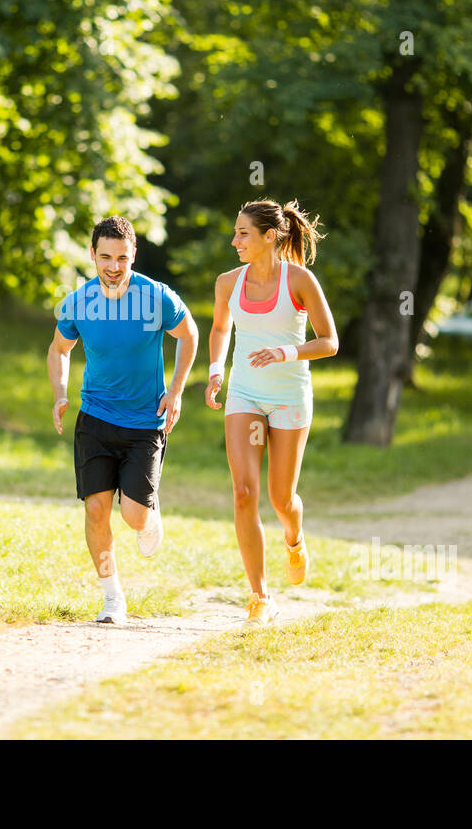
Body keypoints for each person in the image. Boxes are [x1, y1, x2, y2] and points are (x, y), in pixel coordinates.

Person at [47, 216, 198, 623]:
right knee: (95, 509)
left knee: (134, 516)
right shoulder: (79, 300)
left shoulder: (156, 298)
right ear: (93, 256)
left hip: (145, 422)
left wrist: (177, 389)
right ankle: (113, 598)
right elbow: (60, 348)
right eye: (105, 257)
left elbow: (189, 334)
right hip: (95, 417)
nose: (113, 266)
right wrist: (61, 394)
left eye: (122, 258)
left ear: (134, 256)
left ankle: (147, 511)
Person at [205, 200, 339, 625]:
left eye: (243, 233)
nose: (235, 241)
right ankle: (260, 597)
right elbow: (221, 327)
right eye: (235, 232)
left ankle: (294, 539)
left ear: (269, 236)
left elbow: (330, 341)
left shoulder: (299, 280)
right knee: (244, 493)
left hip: (289, 397)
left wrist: (285, 352)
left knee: (282, 498)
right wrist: (215, 371)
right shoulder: (228, 282)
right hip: (245, 393)